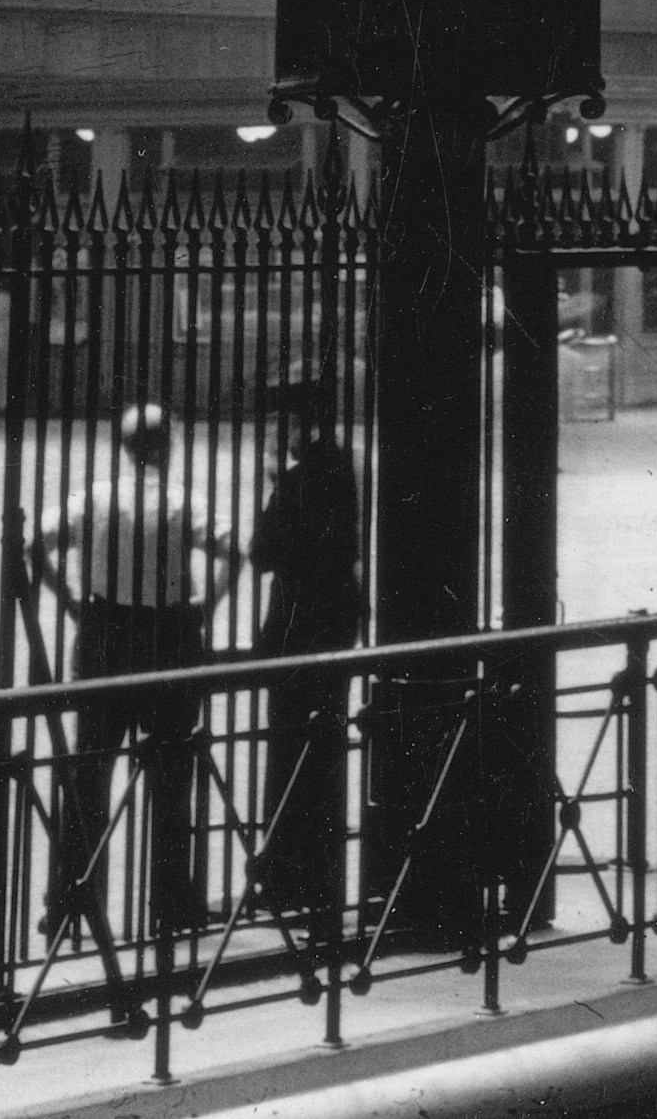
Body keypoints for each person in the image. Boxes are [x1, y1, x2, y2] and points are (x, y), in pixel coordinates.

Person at [20, 398, 232, 983]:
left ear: (122, 447)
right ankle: (169, 904)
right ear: (166, 447)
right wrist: (203, 607)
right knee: (170, 780)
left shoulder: (92, 497)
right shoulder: (184, 500)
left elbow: (35, 542)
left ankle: (69, 902)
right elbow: (232, 551)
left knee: (86, 776)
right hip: (165, 639)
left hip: (103, 637)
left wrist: (68, 601)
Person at [247, 399, 366, 932]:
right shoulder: (346, 476)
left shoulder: (297, 482)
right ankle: (324, 874)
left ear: (306, 426)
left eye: (285, 424)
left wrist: (274, 484)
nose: (279, 435)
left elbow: (261, 553)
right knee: (327, 748)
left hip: (295, 625)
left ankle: (286, 876)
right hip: (338, 620)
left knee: (288, 748)